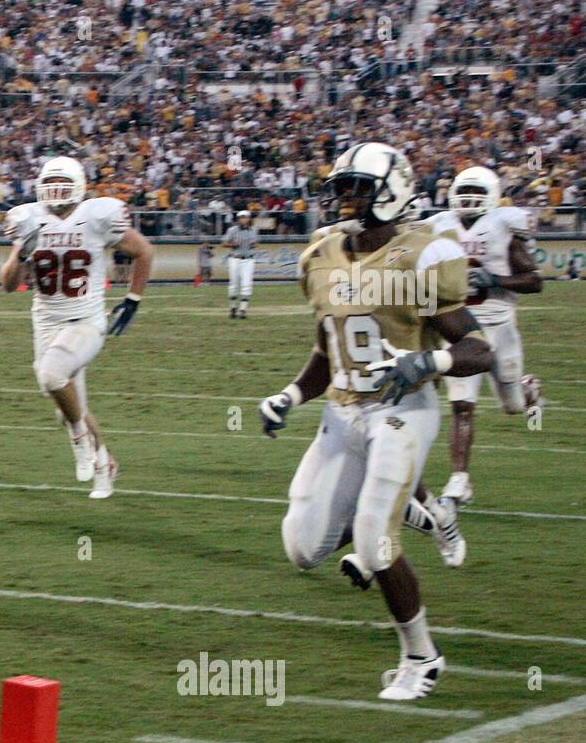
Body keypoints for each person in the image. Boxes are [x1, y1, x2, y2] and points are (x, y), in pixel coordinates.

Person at [259, 142, 492, 701]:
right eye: (341, 187)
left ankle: (422, 656)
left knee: (372, 538)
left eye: (357, 188)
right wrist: (291, 395)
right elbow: (327, 350)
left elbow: (479, 349)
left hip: (402, 411)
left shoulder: (424, 254)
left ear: (391, 192)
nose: (344, 198)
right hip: (342, 412)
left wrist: (427, 360)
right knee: (303, 547)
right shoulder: (320, 256)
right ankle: (407, 505)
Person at [0, 156, 154, 499]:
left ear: (80, 186)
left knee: (52, 376)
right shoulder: (30, 221)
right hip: (46, 321)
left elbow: (143, 251)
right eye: (50, 183)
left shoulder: (97, 217)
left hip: (85, 320)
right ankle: (105, 462)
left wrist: (134, 299)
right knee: (66, 401)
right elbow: (9, 284)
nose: (56, 191)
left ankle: (79, 440)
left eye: (63, 183)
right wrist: (20, 255)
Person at [422, 166, 544, 508]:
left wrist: (495, 279)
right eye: (464, 190)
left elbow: (535, 280)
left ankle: (528, 389)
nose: (469, 198)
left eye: (476, 190)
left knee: (512, 405)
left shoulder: (504, 226)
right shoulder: (439, 225)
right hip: (460, 326)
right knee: (462, 404)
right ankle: (460, 481)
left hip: (500, 325)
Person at [224, 210, 257, 318]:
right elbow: (224, 243)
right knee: (234, 284)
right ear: (238, 219)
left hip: (248, 259)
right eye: (241, 217)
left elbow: (255, 243)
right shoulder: (232, 230)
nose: (243, 219)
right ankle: (233, 307)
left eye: (245, 217)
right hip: (235, 258)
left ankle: (243, 309)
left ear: (248, 219)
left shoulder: (253, 230)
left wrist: (254, 244)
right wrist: (233, 244)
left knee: (247, 284)